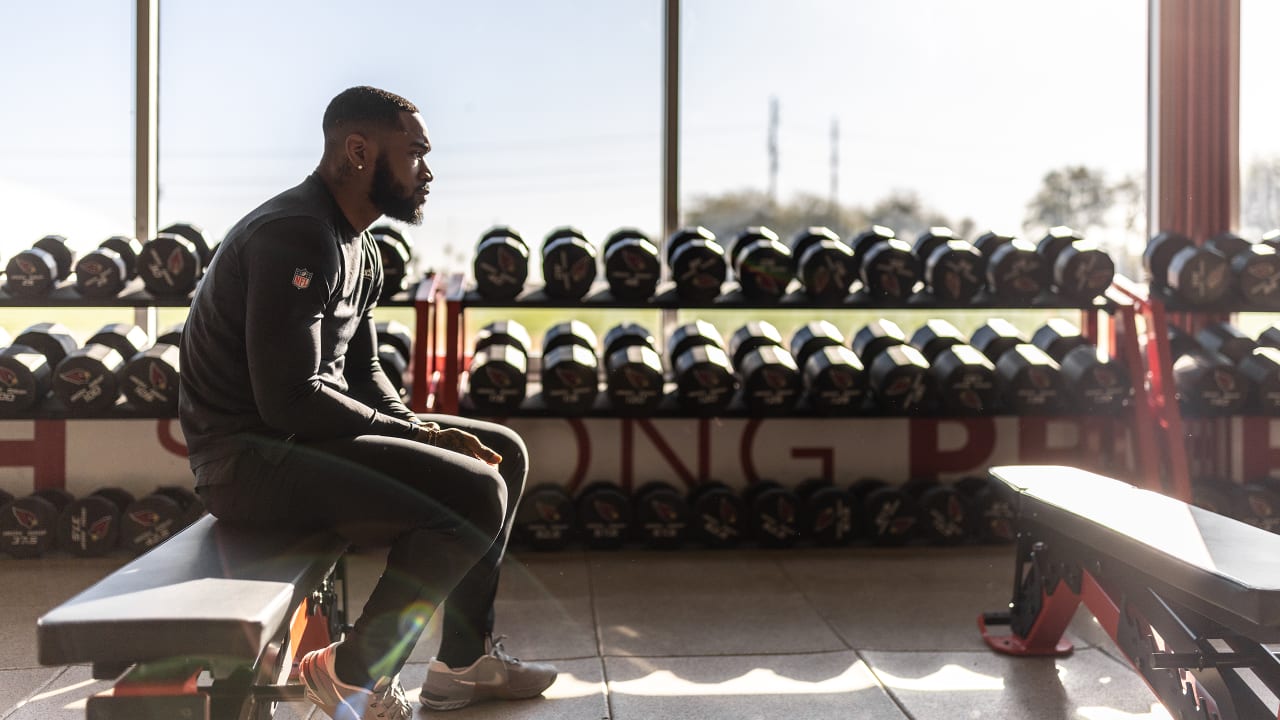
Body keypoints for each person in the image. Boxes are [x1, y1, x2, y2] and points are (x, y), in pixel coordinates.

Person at [178, 86, 556, 720]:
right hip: (246, 463)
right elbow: (289, 401)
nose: (427, 172)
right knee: (471, 494)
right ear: (357, 151)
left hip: (301, 443)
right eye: (414, 154)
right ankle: (355, 674)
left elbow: (363, 369)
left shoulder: (362, 247)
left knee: (503, 456)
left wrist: (417, 431)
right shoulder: (295, 235)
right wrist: (421, 441)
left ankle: (461, 662)